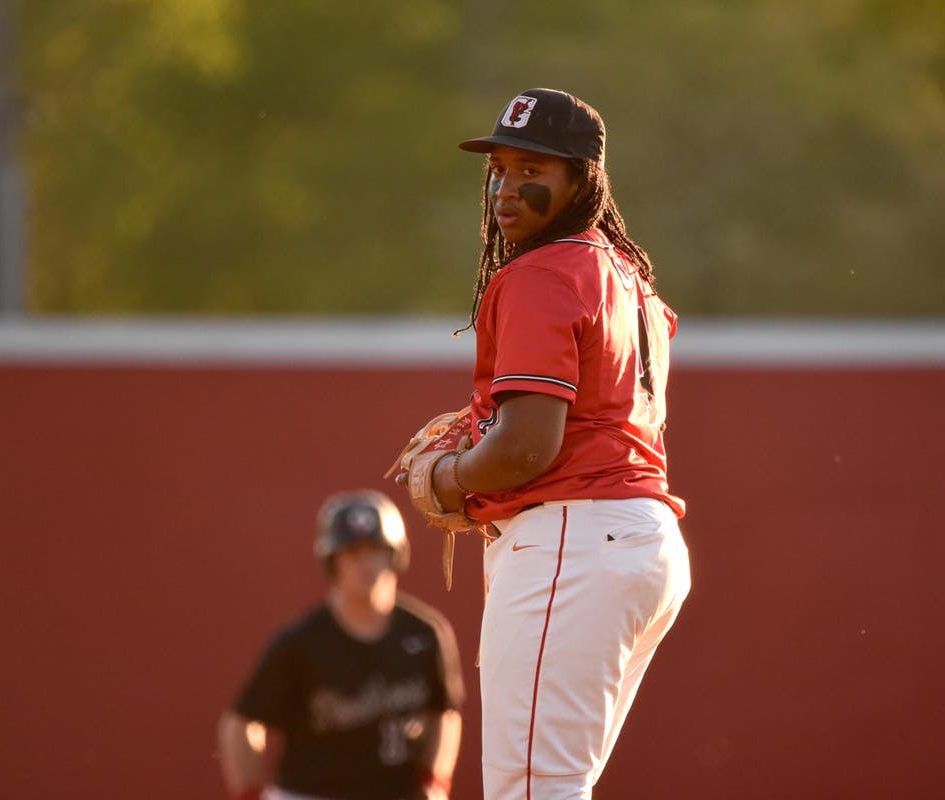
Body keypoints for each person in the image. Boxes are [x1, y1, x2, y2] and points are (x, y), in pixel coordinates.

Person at [400, 88, 691, 800]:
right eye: (499, 168)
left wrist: (449, 478)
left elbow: (528, 448)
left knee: (533, 793)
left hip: (573, 539)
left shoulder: (541, 272)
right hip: (638, 541)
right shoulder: (631, 278)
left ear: (582, 180)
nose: (506, 188)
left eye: (533, 170)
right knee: (556, 788)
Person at [217, 489, 465, 800]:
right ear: (332, 562)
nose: (366, 565)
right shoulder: (300, 643)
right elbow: (241, 723)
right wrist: (250, 793)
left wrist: (435, 780)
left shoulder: (426, 633)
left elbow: (444, 713)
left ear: (396, 554)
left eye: (375, 550)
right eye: (352, 553)